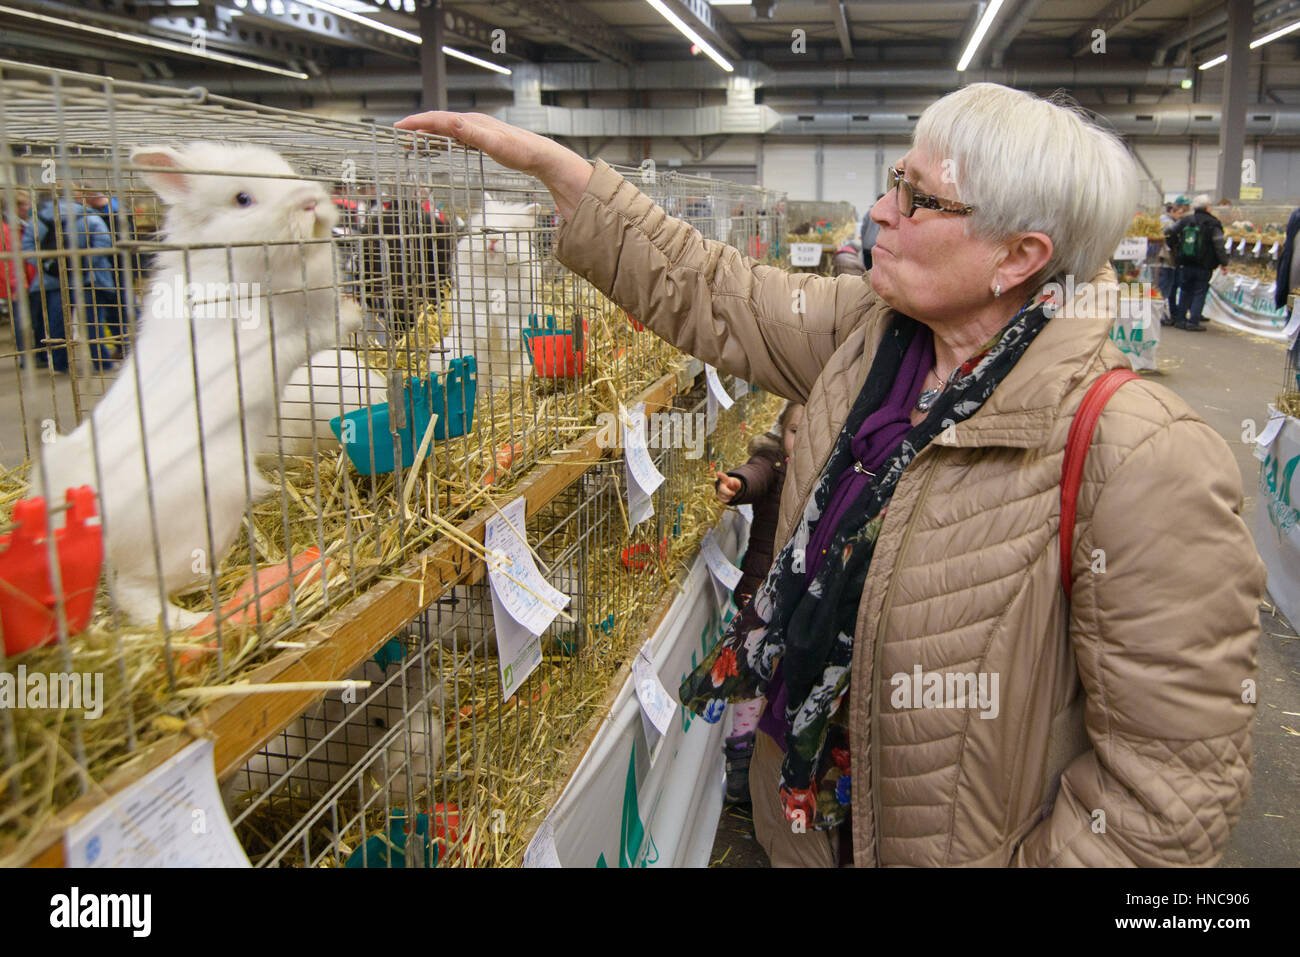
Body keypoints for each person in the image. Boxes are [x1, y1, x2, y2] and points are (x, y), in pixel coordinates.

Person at [397, 82, 1264, 867]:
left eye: (919, 200)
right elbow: (716, 289)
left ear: (1017, 256)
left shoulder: (1139, 456)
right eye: (896, 180)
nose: (879, 211)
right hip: (807, 820)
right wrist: (573, 180)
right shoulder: (870, 333)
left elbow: (1165, 792)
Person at [713, 400, 804, 805]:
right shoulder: (776, 464)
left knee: (784, 683)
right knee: (750, 679)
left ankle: (776, 767)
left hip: (802, 603)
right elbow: (757, 473)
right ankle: (739, 757)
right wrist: (736, 483)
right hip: (760, 598)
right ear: (780, 431)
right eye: (794, 432)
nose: (800, 442)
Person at [19, 194, 113, 372]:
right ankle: (102, 362)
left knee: (57, 323)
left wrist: (48, 266)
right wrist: (84, 264)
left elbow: (28, 247)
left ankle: (60, 364)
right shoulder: (88, 216)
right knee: (93, 323)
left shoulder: (37, 219)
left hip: (53, 280)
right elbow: (103, 242)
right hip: (88, 279)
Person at [1166, 193, 1229, 332]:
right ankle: (1193, 321)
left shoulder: (1186, 220)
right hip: (1204, 264)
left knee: (1185, 290)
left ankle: (1180, 319)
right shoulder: (1213, 223)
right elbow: (1218, 245)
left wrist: (1174, 246)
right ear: (1207, 207)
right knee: (1200, 291)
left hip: (1185, 261)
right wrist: (1224, 263)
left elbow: (1169, 231)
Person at [860, 195, 883, 271]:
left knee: (868, 269)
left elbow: (863, 228)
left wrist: (863, 242)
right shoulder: (885, 213)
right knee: (877, 269)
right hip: (877, 246)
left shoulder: (870, 212)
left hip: (866, 246)